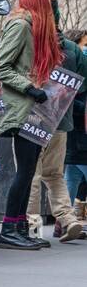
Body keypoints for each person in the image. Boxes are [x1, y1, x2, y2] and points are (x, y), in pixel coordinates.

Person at [0, 0, 64, 250]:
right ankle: (9, 229)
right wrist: (31, 89)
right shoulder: (21, 25)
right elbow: (3, 67)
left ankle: (19, 227)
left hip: (33, 110)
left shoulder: (33, 27)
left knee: (28, 169)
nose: (53, 2)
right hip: (23, 109)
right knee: (24, 171)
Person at [26, 0, 87, 243]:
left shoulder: (33, 42)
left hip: (34, 116)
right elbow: (83, 83)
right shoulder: (71, 49)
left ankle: (31, 228)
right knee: (54, 174)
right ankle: (68, 219)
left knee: (31, 174)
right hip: (61, 119)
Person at [64, 30, 87, 228]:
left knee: (71, 174)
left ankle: (65, 220)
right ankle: (66, 219)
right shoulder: (77, 63)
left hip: (73, 128)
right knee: (72, 173)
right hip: (80, 129)